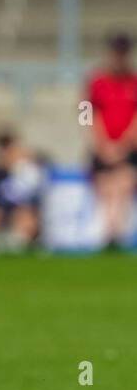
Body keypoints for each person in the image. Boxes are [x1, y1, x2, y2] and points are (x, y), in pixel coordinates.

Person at [85, 31, 137, 249]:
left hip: (129, 149)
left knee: (124, 184)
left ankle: (114, 232)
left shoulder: (134, 81)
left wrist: (124, 145)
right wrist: (101, 143)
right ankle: (109, 232)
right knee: (106, 189)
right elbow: (86, 112)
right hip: (102, 147)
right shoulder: (96, 82)